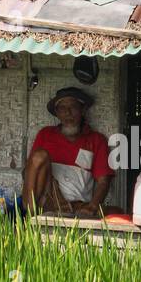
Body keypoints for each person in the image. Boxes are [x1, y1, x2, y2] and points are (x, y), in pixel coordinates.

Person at [22, 87, 114, 217]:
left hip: (78, 207)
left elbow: (103, 181)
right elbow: (31, 170)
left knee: (117, 212)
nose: (68, 113)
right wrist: (54, 191)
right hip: (46, 202)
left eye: (73, 107)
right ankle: (31, 215)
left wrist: (92, 207)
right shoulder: (46, 134)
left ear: (83, 110)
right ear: (57, 113)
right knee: (39, 156)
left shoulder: (96, 140)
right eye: (62, 108)